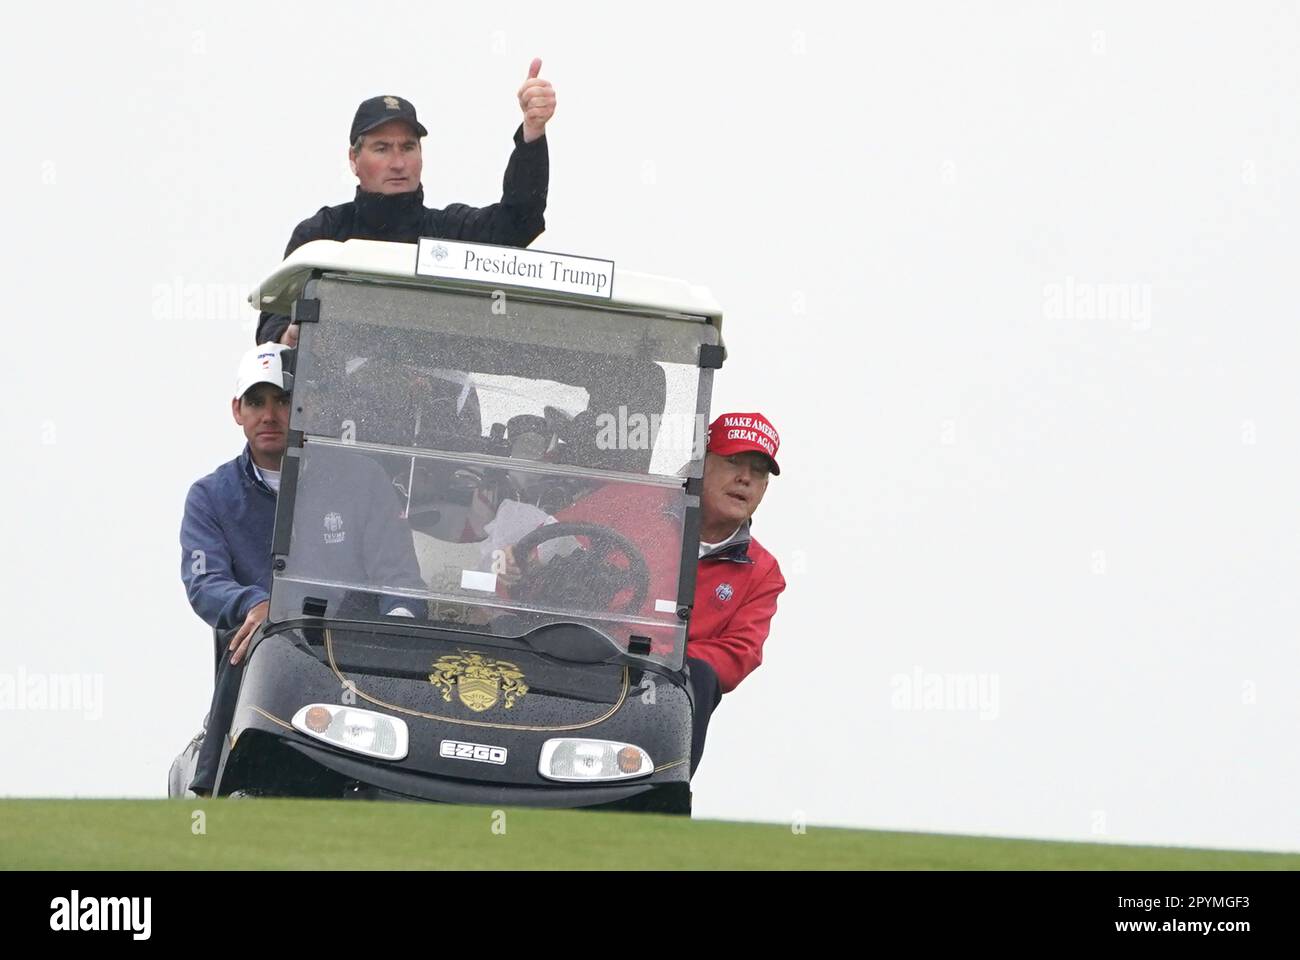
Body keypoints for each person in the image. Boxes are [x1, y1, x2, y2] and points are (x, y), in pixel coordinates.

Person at [180, 343, 426, 795]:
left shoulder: (362, 479)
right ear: (237, 410)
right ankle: (220, 788)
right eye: (256, 401)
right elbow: (204, 583)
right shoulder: (210, 496)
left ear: (307, 406)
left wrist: (399, 635)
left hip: (359, 665)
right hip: (268, 670)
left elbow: (401, 581)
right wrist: (255, 604)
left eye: (284, 400)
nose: (269, 415)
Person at [256, 61, 557, 345]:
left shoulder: (449, 232)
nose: (398, 163)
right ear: (353, 159)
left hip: (437, 397)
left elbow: (519, 222)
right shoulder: (320, 236)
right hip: (342, 397)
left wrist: (533, 132)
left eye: (408, 147)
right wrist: (288, 337)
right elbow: (271, 321)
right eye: (382, 148)